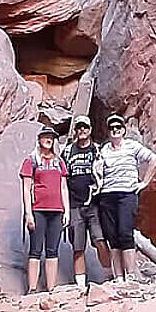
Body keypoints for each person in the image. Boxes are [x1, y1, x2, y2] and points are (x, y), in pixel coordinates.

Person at [95, 113, 156, 281]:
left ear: (123, 130)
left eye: (118, 127)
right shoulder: (104, 150)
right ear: (108, 132)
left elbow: (153, 159)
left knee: (125, 233)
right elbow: (99, 172)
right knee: (112, 237)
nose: (115, 130)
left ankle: (130, 275)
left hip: (126, 194)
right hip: (106, 195)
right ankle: (118, 277)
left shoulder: (132, 146)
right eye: (112, 128)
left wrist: (144, 182)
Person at [62, 115, 111, 292]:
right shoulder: (67, 152)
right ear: (75, 131)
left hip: (94, 205)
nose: (81, 131)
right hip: (75, 205)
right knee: (78, 246)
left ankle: (108, 277)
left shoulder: (97, 150)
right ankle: (81, 285)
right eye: (78, 128)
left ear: (90, 130)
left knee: (100, 240)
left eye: (85, 128)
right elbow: (62, 179)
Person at [19, 125, 69, 294]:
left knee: (52, 249)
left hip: (56, 210)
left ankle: (51, 288)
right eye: (45, 136)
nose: (49, 139)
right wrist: (28, 214)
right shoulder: (31, 161)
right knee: (35, 249)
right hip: (38, 209)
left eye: (51, 137)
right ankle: (32, 288)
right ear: (39, 139)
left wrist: (66, 210)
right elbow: (26, 188)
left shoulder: (59, 161)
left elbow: (63, 187)